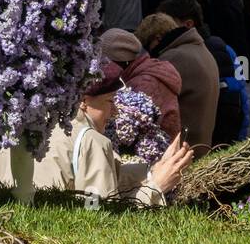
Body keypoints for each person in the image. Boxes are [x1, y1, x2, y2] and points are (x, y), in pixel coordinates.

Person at [34, 70, 193, 204]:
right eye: (110, 101)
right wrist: (157, 187)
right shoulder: (92, 141)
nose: (115, 112)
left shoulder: (38, 125)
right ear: (83, 101)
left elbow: (99, 180)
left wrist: (152, 172)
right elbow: (101, 213)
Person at [151, 0, 220, 156]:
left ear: (187, 23)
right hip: (197, 148)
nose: (159, 29)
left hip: (182, 153)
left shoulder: (177, 56)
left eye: (166, 22)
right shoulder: (200, 50)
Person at [98, 27, 182, 138]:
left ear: (121, 62)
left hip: (159, 150)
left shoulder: (145, 83)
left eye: (105, 63)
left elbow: (130, 130)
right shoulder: (146, 70)